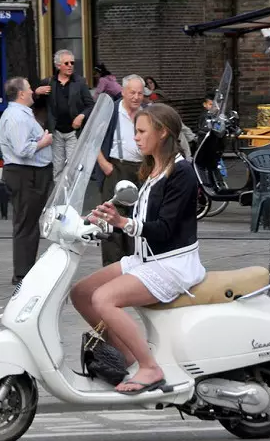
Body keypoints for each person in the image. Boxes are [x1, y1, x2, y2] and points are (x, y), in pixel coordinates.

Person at [70, 103, 205, 394]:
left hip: (171, 264)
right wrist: (98, 219)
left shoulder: (181, 173)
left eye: (142, 131)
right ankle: (128, 355)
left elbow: (164, 229)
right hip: (146, 258)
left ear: (162, 132)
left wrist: (123, 222)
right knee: (80, 293)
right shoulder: (155, 168)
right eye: (135, 131)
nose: (136, 137)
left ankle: (150, 367)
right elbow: (143, 213)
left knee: (104, 299)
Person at [0, 77, 54, 286]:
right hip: (25, 174)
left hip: (31, 173)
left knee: (30, 223)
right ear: (21, 93)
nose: (33, 92)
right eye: (29, 88)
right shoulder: (16, 117)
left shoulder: (22, 114)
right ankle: (22, 273)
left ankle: (26, 269)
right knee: (26, 224)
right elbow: (23, 150)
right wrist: (44, 141)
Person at [97, 74, 145, 266]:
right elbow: (92, 138)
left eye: (140, 93)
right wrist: (103, 164)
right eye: (132, 92)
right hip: (116, 167)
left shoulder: (146, 113)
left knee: (137, 217)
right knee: (111, 218)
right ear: (123, 92)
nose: (136, 97)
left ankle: (134, 265)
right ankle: (112, 267)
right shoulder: (111, 111)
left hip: (141, 169)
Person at [34, 49, 94, 180]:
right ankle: (59, 198)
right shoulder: (49, 82)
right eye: (66, 63)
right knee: (58, 168)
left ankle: (72, 198)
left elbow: (90, 105)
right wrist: (37, 93)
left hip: (73, 132)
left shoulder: (80, 82)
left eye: (72, 63)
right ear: (58, 65)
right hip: (56, 131)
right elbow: (37, 105)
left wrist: (81, 116)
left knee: (73, 167)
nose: (70, 66)